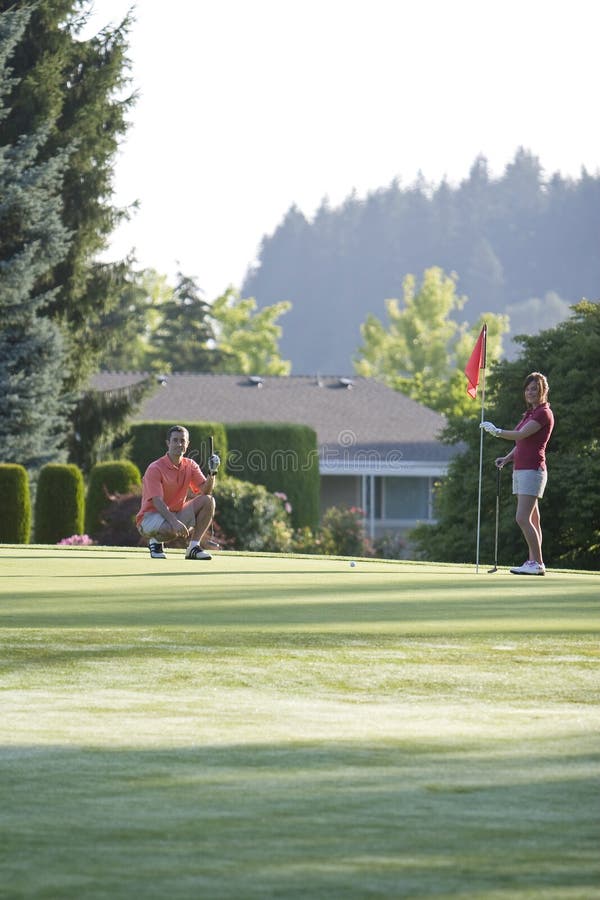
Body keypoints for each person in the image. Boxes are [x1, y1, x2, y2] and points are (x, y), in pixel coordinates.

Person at [481, 372, 554, 576]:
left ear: (543, 391)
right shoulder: (529, 414)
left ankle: (537, 563)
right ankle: (534, 561)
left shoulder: (543, 413)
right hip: (521, 468)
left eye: (535, 389)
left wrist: (496, 431)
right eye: (528, 389)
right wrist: (506, 458)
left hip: (533, 469)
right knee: (533, 519)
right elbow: (521, 443)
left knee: (522, 518)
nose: (531, 392)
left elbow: (520, 434)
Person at [136, 425, 221, 560]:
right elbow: (157, 501)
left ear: (187, 444)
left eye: (182, 441)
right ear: (168, 443)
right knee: (172, 529)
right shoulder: (155, 468)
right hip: (149, 517)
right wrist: (175, 523)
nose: (179, 444)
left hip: (175, 513)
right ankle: (155, 542)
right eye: (175, 440)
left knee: (209, 500)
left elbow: (206, 491)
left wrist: (212, 472)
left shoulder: (190, 465)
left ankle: (193, 547)